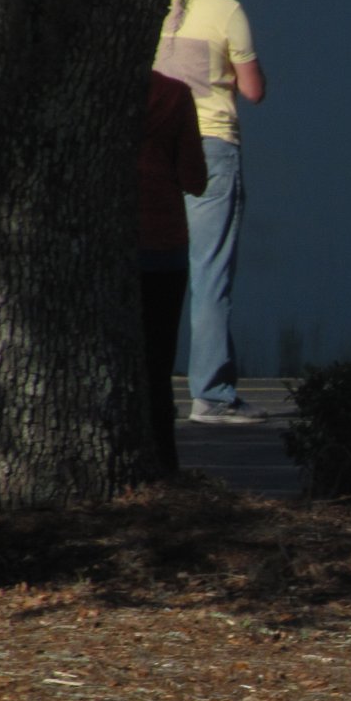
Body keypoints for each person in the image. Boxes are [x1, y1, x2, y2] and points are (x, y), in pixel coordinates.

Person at [153, 0, 268, 424]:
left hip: (153, 147)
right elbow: (253, 89)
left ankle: (143, 389)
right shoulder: (226, 10)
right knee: (210, 272)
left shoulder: (147, 12)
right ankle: (212, 397)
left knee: (148, 267)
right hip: (210, 144)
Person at [138, 71, 207, 470]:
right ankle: (163, 460)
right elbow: (194, 179)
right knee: (158, 362)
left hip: (108, 240)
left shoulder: (90, 92)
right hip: (163, 243)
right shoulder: (173, 94)